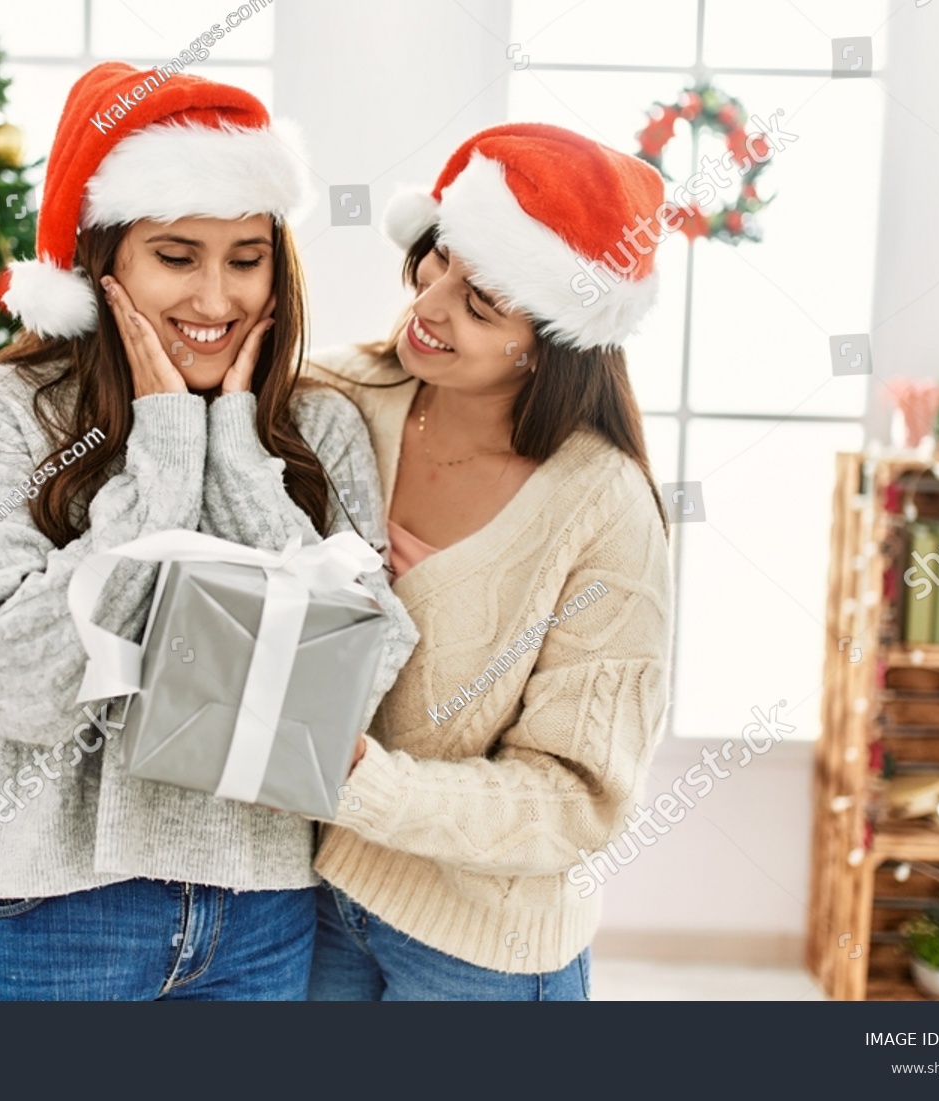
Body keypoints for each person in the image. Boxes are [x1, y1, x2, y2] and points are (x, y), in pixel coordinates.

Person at [0, 61, 415, 1001]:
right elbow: (23, 683)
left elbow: (355, 669)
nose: (217, 300)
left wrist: (234, 452)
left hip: (259, 903)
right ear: (103, 262)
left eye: (246, 258)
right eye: (177, 257)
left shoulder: (322, 423)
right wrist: (165, 454)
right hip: (46, 905)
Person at [300, 123, 675, 1000]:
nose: (429, 305)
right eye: (438, 262)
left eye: (482, 303)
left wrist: (369, 787)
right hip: (314, 901)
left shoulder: (604, 509)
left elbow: (576, 796)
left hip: (485, 952)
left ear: (551, 338)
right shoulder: (336, 397)